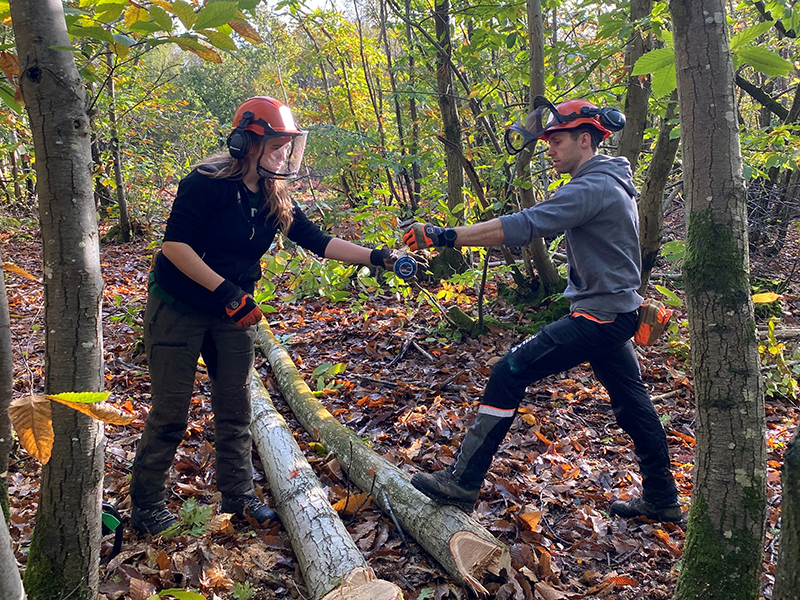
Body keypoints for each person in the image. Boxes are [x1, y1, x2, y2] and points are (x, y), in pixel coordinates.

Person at [131, 96, 412, 535]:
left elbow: (319, 241)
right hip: (179, 308)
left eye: (288, 146)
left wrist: (379, 256)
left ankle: (239, 497)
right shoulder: (205, 183)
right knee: (170, 413)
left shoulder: (274, 195)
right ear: (248, 141)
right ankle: (147, 507)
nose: (284, 155)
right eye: (277, 145)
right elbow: (175, 247)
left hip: (231, 310)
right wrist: (227, 291)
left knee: (235, 406)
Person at [402, 96, 681, 523]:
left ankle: (462, 481)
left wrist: (444, 235)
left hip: (600, 317)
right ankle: (662, 499)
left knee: (507, 372)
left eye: (557, 140)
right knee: (632, 404)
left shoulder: (593, 186)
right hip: (616, 313)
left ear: (584, 140)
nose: (549, 149)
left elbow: (524, 225)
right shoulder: (609, 182)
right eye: (547, 140)